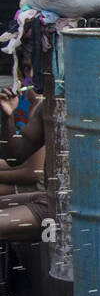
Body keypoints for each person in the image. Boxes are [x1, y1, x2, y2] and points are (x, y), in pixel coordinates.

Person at [0, 67, 49, 241]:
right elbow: (14, 158)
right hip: (49, 198)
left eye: (31, 70)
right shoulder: (44, 107)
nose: (29, 77)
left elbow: (33, 173)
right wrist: (8, 116)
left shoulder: (50, 104)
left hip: (62, 209)